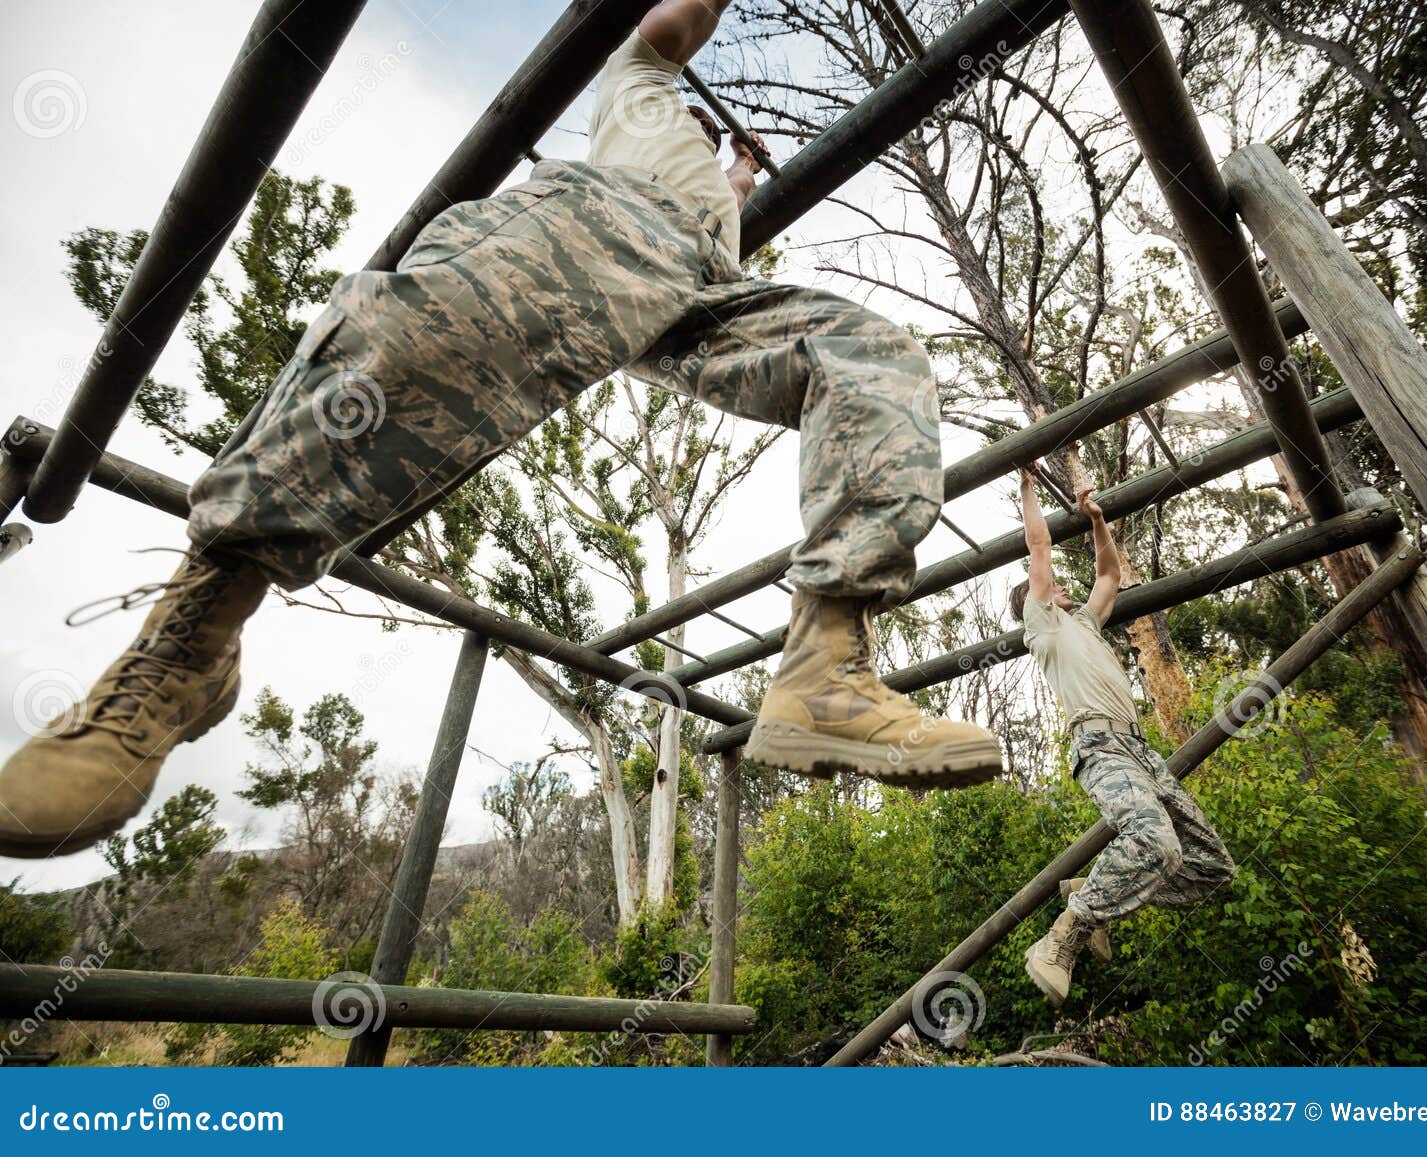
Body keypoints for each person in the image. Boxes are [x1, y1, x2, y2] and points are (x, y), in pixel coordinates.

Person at [0, 0, 1003, 859]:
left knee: (874, 356)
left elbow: (727, 208)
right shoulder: (638, 84)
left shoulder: (720, 187)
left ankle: (825, 662)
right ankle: (195, 636)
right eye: (702, 131)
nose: (706, 140)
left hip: (702, 287)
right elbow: (673, 25)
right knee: (420, 327)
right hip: (606, 223)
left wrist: (739, 179)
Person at [1015, 464, 1234, 1005]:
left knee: (1211, 867)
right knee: (1155, 841)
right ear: (1035, 598)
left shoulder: (1085, 625)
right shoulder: (1040, 623)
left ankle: (1092, 891)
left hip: (1139, 749)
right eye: (1051, 585)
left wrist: (1098, 519)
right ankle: (1063, 937)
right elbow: (1038, 546)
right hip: (1100, 746)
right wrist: (1026, 484)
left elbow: (1109, 576)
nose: (1062, 586)